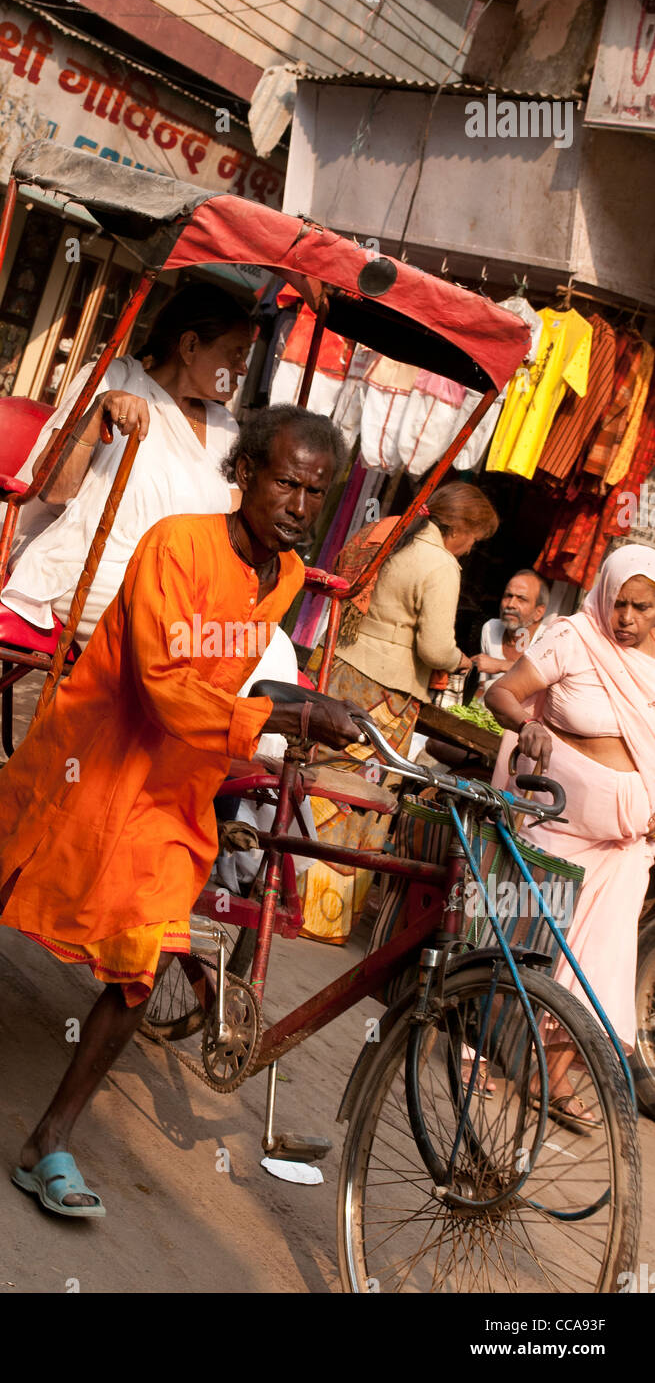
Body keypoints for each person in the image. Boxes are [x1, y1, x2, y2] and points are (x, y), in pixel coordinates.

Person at [0, 406, 363, 1216]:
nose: (298, 504)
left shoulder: (283, 576)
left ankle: (49, 1140)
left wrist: (305, 711)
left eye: (315, 492)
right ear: (244, 472)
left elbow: (227, 680)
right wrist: (280, 719)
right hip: (94, 756)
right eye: (285, 481)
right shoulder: (177, 545)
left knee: (141, 966)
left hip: (176, 787)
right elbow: (161, 684)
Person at [486, 544, 655, 1132]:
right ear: (604, 594)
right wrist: (527, 726)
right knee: (530, 943)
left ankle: (549, 1081)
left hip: (622, 846)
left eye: (642, 607)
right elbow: (500, 693)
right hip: (556, 826)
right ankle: (478, 1050)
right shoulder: (573, 639)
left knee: (595, 960)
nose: (627, 618)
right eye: (621, 603)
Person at [0, 282, 253, 647]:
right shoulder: (110, 380)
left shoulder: (226, 427)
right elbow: (53, 490)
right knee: (181, 640)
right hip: (92, 566)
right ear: (190, 346)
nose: (242, 368)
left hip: (185, 584)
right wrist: (98, 412)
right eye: (236, 353)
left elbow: (233, 518)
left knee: (258, 645)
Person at [298, 481, 500, 944]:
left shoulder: (386, 531)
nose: (470, 550)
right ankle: (318, 915)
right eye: (473, 539)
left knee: (317, 777)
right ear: (459, 528)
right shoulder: (440, 564)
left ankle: (282, 889)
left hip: (337, 667)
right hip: (384, 692)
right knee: (359, 799)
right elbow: (433, 646)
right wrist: (458, 660)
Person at [472, 568, 550, 693]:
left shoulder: (548, 638)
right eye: (508, 596)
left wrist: (501, 665)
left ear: (538, 612)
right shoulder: (490, 629)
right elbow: (482, 686)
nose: (511, 604)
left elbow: (547, 680)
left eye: (521, 599)